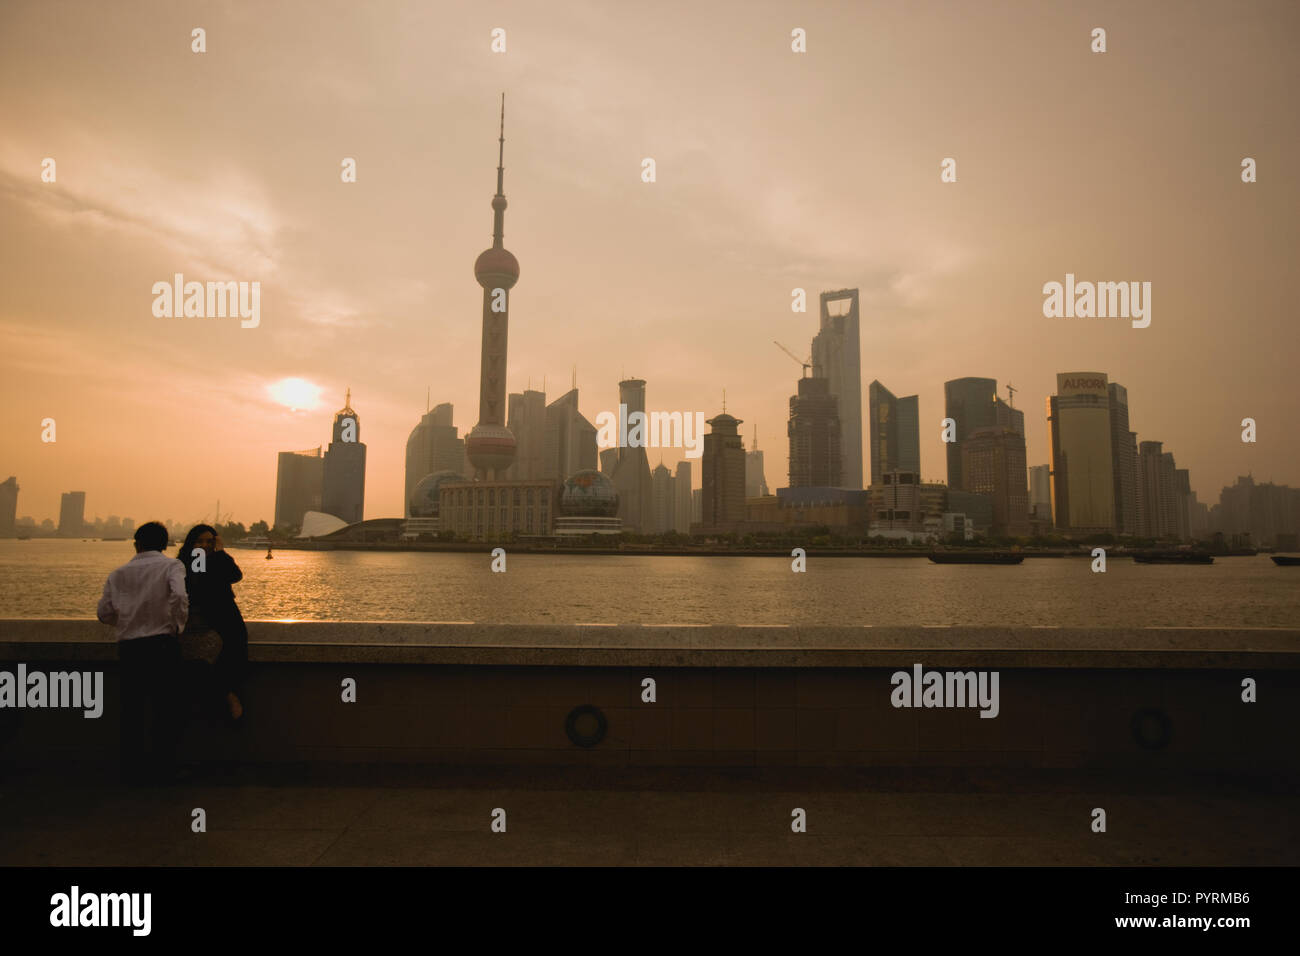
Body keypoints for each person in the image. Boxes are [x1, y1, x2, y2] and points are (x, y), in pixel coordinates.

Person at [96, 521, 187, 785]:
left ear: (137, 544)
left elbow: (104, 613)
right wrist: (176, 624)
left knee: (131, 710)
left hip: (130, 647)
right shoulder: (172, 566)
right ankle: (164, 769)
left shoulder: (118, 573)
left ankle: (132, 770)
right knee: (166, 709)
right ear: (165, 543)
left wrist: (127, 622)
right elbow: (179, 596)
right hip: (162, 645)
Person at [178, 524, 248, 723]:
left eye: (210, 541)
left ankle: (230, 695)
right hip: (202, 618)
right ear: (192, 543)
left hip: (226, 616)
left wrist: (220, 552)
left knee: (233, 656)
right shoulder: (186, 562)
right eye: (200, 541)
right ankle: (228, 696)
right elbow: (197, 584)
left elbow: (236, 575)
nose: (205, 545)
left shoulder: (218, 559)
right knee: (201, 664)